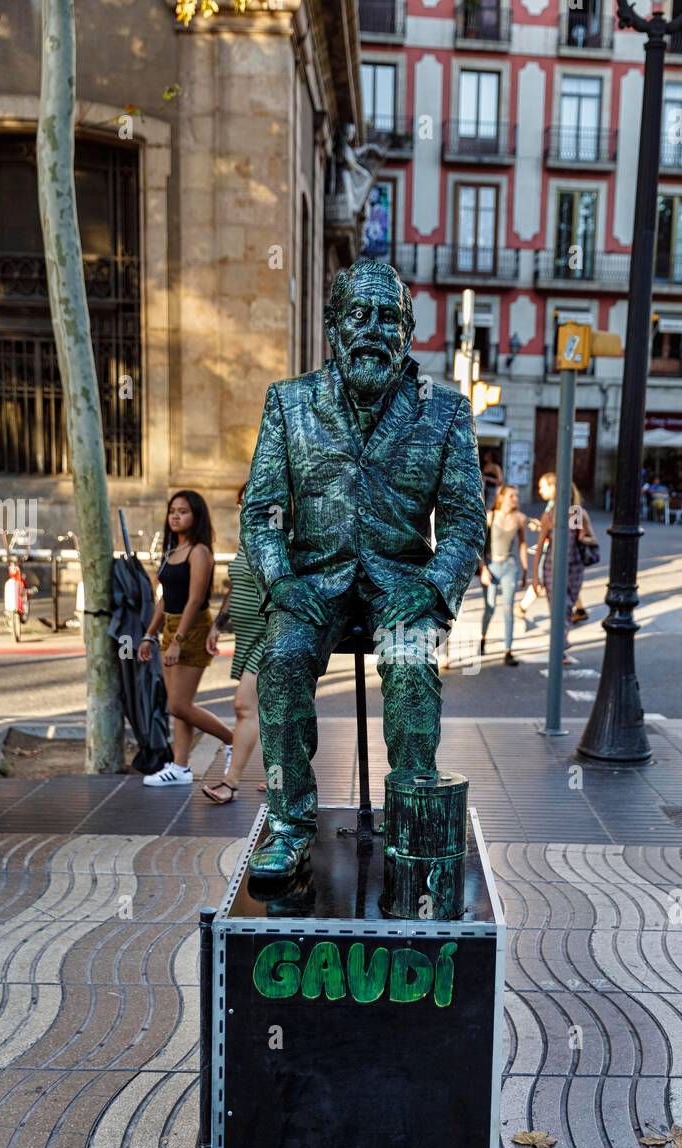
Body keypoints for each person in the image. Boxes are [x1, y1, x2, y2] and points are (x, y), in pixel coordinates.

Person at [240, 257, 486, 877]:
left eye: (388, 317)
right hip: (312, 582)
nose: (372, 329)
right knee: (284, 659)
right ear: (333, 325)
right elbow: (262, 511)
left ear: (407, 331)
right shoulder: (289, 403)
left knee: (409, 659)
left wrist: (433, 587)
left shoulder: (446, 411)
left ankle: (412, 826)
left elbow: (464, 524)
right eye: (359, 314)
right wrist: (282, 581)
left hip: (403, 583)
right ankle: (290, 825)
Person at [138, 491, 233, 786]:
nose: (176, 516)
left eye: (183, 511)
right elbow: (166, 599)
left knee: (179, 705)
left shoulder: (199, 552)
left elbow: (194, 601)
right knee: (179, 703)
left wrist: (178, 641)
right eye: (172, 511)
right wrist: (148, 635)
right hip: (170, 627)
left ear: (196, 517)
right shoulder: (171, 552)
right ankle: (180, 768)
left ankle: (231, 740)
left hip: (191, 630)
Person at [203, 484, 267, 804]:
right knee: (269, 707)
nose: (243, 510)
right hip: (246, 636)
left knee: (244, 704)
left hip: (270, 634)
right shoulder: (247, 541)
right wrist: (218, 625)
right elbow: (234, 587)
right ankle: (281, 776)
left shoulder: (282, 538)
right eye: (240, 504)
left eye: (250, 502)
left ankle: (231, 783)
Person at [534, 483, 597, 660]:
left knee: (568, 607)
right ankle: (560, 646)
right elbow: (539, 547)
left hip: (575, 567)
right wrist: (534, 577)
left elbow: (593, 540)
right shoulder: (550, 516)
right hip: (551, 568)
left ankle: (561, 642)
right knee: (558, 608)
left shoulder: (579, 514)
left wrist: (583, 537)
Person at [480, 484, 528, 666]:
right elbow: (480, 546)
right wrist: (483, 569)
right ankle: (483, 639)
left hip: (509, 566)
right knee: (490, 608)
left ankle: (508, 651)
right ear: (501, 498)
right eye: (512, 495)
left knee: (508, 609)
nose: (516, 498)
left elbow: (523, 544)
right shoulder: (490, 516)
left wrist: (525, 570)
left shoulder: (519, 519)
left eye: (517, 495)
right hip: (491, 566)